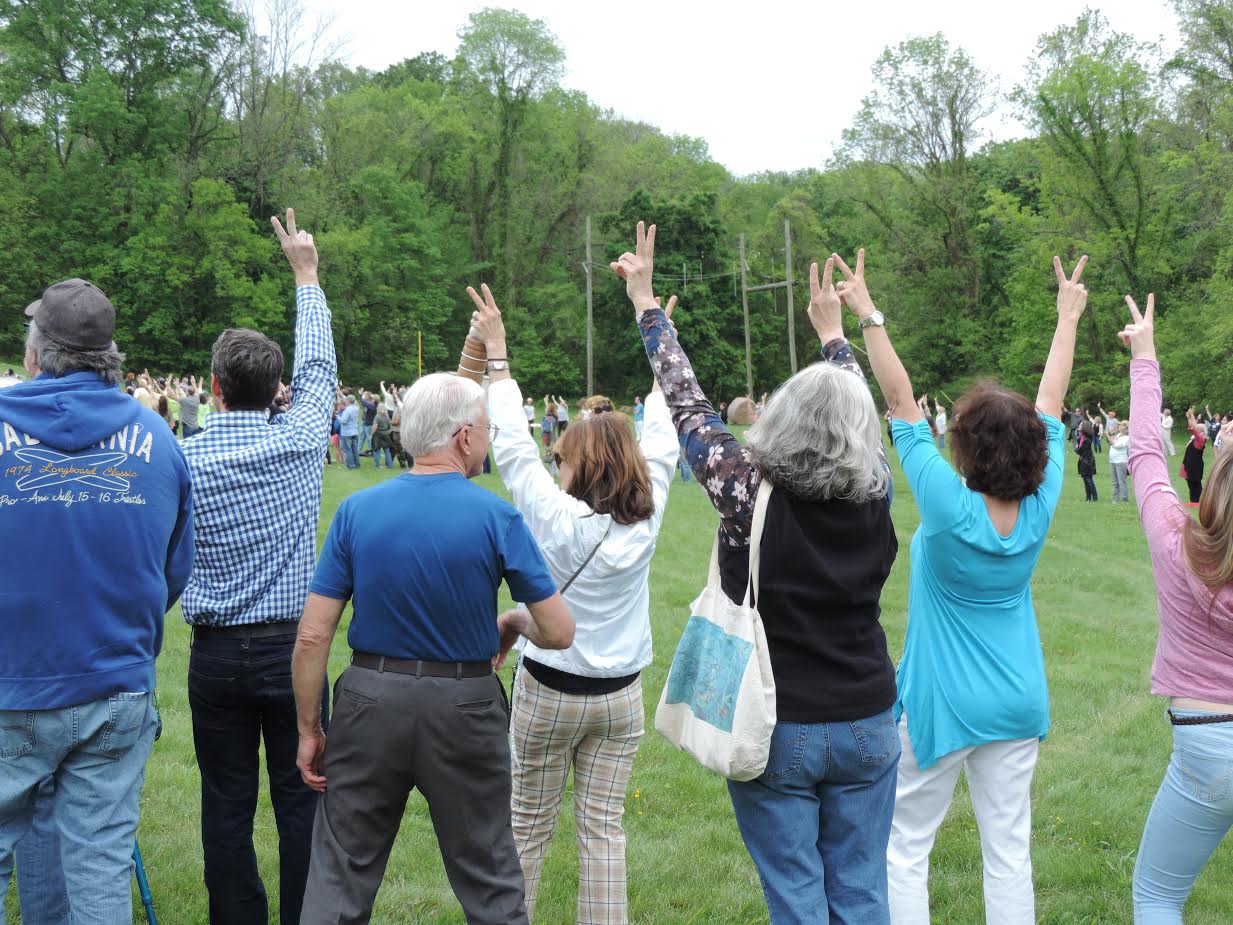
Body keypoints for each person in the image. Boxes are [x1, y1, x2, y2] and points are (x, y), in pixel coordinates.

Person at [613, 223, 901, 923]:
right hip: (867, 716)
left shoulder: (744, 491)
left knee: (797, 899)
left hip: (779, 722)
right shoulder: (877, 486)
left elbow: (687, 403)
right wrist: (834, 335)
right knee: (861, 892)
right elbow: (856, 411)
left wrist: (646, 305)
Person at [291, 371, 575, 925]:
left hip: (369, 700)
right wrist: (515, 620)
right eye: (487, 429)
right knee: (490, 874)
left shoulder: (356, 511)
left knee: (340, 875)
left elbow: (312, 634)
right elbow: (560, 631)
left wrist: (309, 729)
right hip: (464, 703)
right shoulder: (496, 516)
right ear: (464, 437)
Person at [872, 253, 1085, 925]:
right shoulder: (1042, 500)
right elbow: (1049, 399)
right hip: (1016, 698)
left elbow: (902, 405)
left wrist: (868, 316)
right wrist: (1066, 316)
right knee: (1008, 851)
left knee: (903, 848)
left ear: (960, 446)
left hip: (941, 703)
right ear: (1035, 453)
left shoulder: (947, 506)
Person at [470, 281, 678, 923]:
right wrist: (658, 340)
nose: (554, 467)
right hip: (620, 695)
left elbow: (508, 446)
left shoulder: (557, 517)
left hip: (551, 688)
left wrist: (498, 354)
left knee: (527, 830)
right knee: (603, 835)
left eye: (562, 460)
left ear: (581, 467)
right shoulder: (650, 512)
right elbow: (666, 428)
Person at [0, 277, 194, 923]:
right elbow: (173, 570)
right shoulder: (158, 438)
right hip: (114, 684)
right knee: (99, 862)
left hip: (16, 685)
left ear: (36, 352)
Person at [180, 209, 336, 925]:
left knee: (227, 804)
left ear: (214, 387)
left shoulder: (184, 459)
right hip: (288, 647)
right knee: (303, 796)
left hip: (216, 654)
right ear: (276, 389)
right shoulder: (302, 436)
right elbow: (320, 367)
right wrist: (305, 275)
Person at [1117, 293, 1233, 922]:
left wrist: (1146, 356)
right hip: (1206, 740)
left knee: (1158, 896)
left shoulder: (1177, 542)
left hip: (1207, 744)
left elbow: (1145, 457)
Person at [1183, 406, 1207, 505]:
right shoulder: (1197, 437)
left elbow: (1193, 428)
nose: (1196, 428)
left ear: (1200, 431)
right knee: (1191, 482)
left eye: (1198, 429)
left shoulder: (1201, 439)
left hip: (1195, 466)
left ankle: (1197, 502)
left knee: (1195, 484)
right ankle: (1194, 501)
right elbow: (1194, 426)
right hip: (1191, 465)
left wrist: (1189, 418)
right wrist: (1191, 416)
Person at [1109, 420, 1130, 503]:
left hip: (1121, 462)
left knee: (1121, 482)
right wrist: (1112, 433)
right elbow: (1112, 441)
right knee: (1115, 482)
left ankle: (1125, 499)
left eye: (1121, 425)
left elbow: (1116, 445)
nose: (1119, 426)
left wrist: (1107, 435)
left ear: (1125, 428)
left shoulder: (1127, 438)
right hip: (1113, 461)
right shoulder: (1118, 435)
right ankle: (1115, 499)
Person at [1077, 419, 1098, 501]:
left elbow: (1080, 450)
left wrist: (1076, 449)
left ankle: (1095, 497)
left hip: (1087, 462)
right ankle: (1088, 498)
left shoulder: (1086, 439)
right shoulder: (1082, 437)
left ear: (1084, 427)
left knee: (1088, 480)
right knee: (1085, 480)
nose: (1079, 426)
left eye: (1080, 425)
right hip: (1084, 461)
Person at [339, 394, 360, 468]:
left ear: (348, 401)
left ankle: (350, 465)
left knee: (348, 449)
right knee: (355, 449)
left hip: (347, 432)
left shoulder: (347, 410)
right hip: (355, 431)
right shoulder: (356, 408)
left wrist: (338, 417)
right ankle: (357, 464)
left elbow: (344, 421)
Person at [371, 403, 394, 469]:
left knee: (377, 450)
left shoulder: (377, 416)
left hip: (378, 435)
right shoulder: (387, 416)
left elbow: (375, 426)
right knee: (387, 451)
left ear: (378, 408)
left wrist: (371, 434)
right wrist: (388, 431)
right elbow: (391, 426)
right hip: (386, 435)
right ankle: (390, 465)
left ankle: (376, 465)